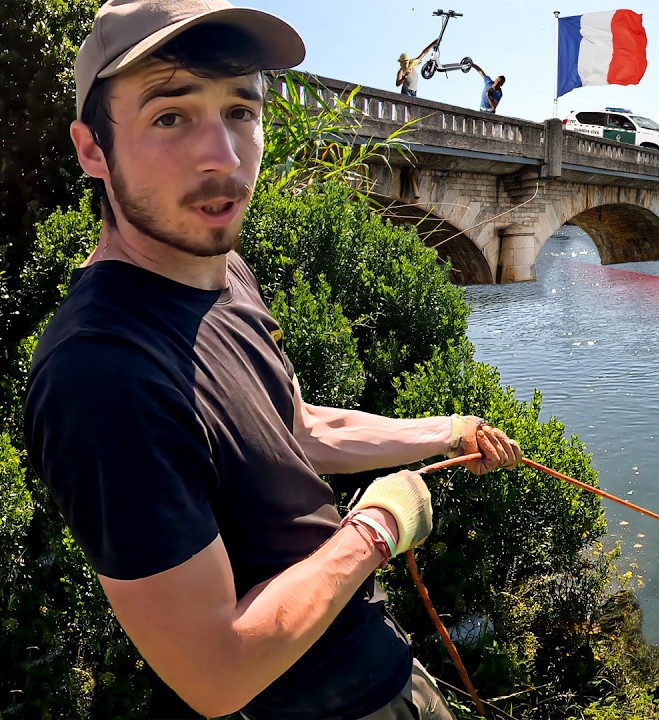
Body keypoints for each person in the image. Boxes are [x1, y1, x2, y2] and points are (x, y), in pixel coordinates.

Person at [23, 1, 523, 718]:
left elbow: (299, 431)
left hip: (385, 675)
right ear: (92, 149)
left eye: (240, 111)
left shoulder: (223, 272)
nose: (224, 159)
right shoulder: (100, 374)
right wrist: (374, 531)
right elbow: (216, 673)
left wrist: (449, 430)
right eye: (170, 116)